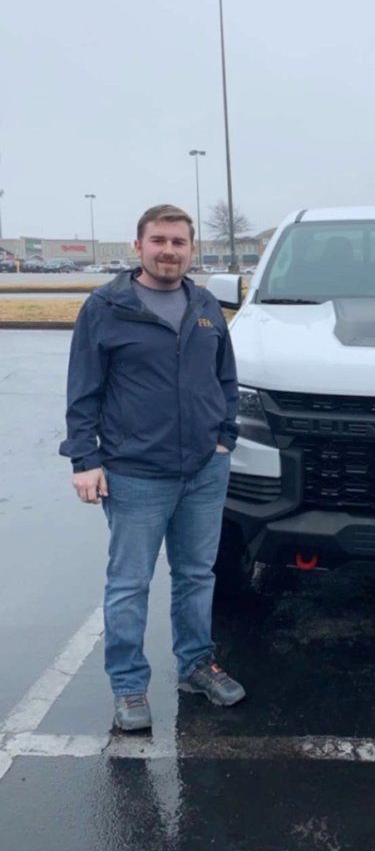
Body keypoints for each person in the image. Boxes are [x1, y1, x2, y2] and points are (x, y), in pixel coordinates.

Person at [60, 204, 245, 730]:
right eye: (159, 240)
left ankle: (196, 665)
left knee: (195, 574)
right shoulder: (106, 306)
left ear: (192, 250)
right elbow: (83, 391)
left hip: (205, 472)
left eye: (179, 242)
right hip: (136, 473)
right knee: (129, 583)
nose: (169, 250)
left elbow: (225, 379)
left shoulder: (205, 304)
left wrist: (225, 438)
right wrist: (85, 459)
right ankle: (129, 686)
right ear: (138, 246)